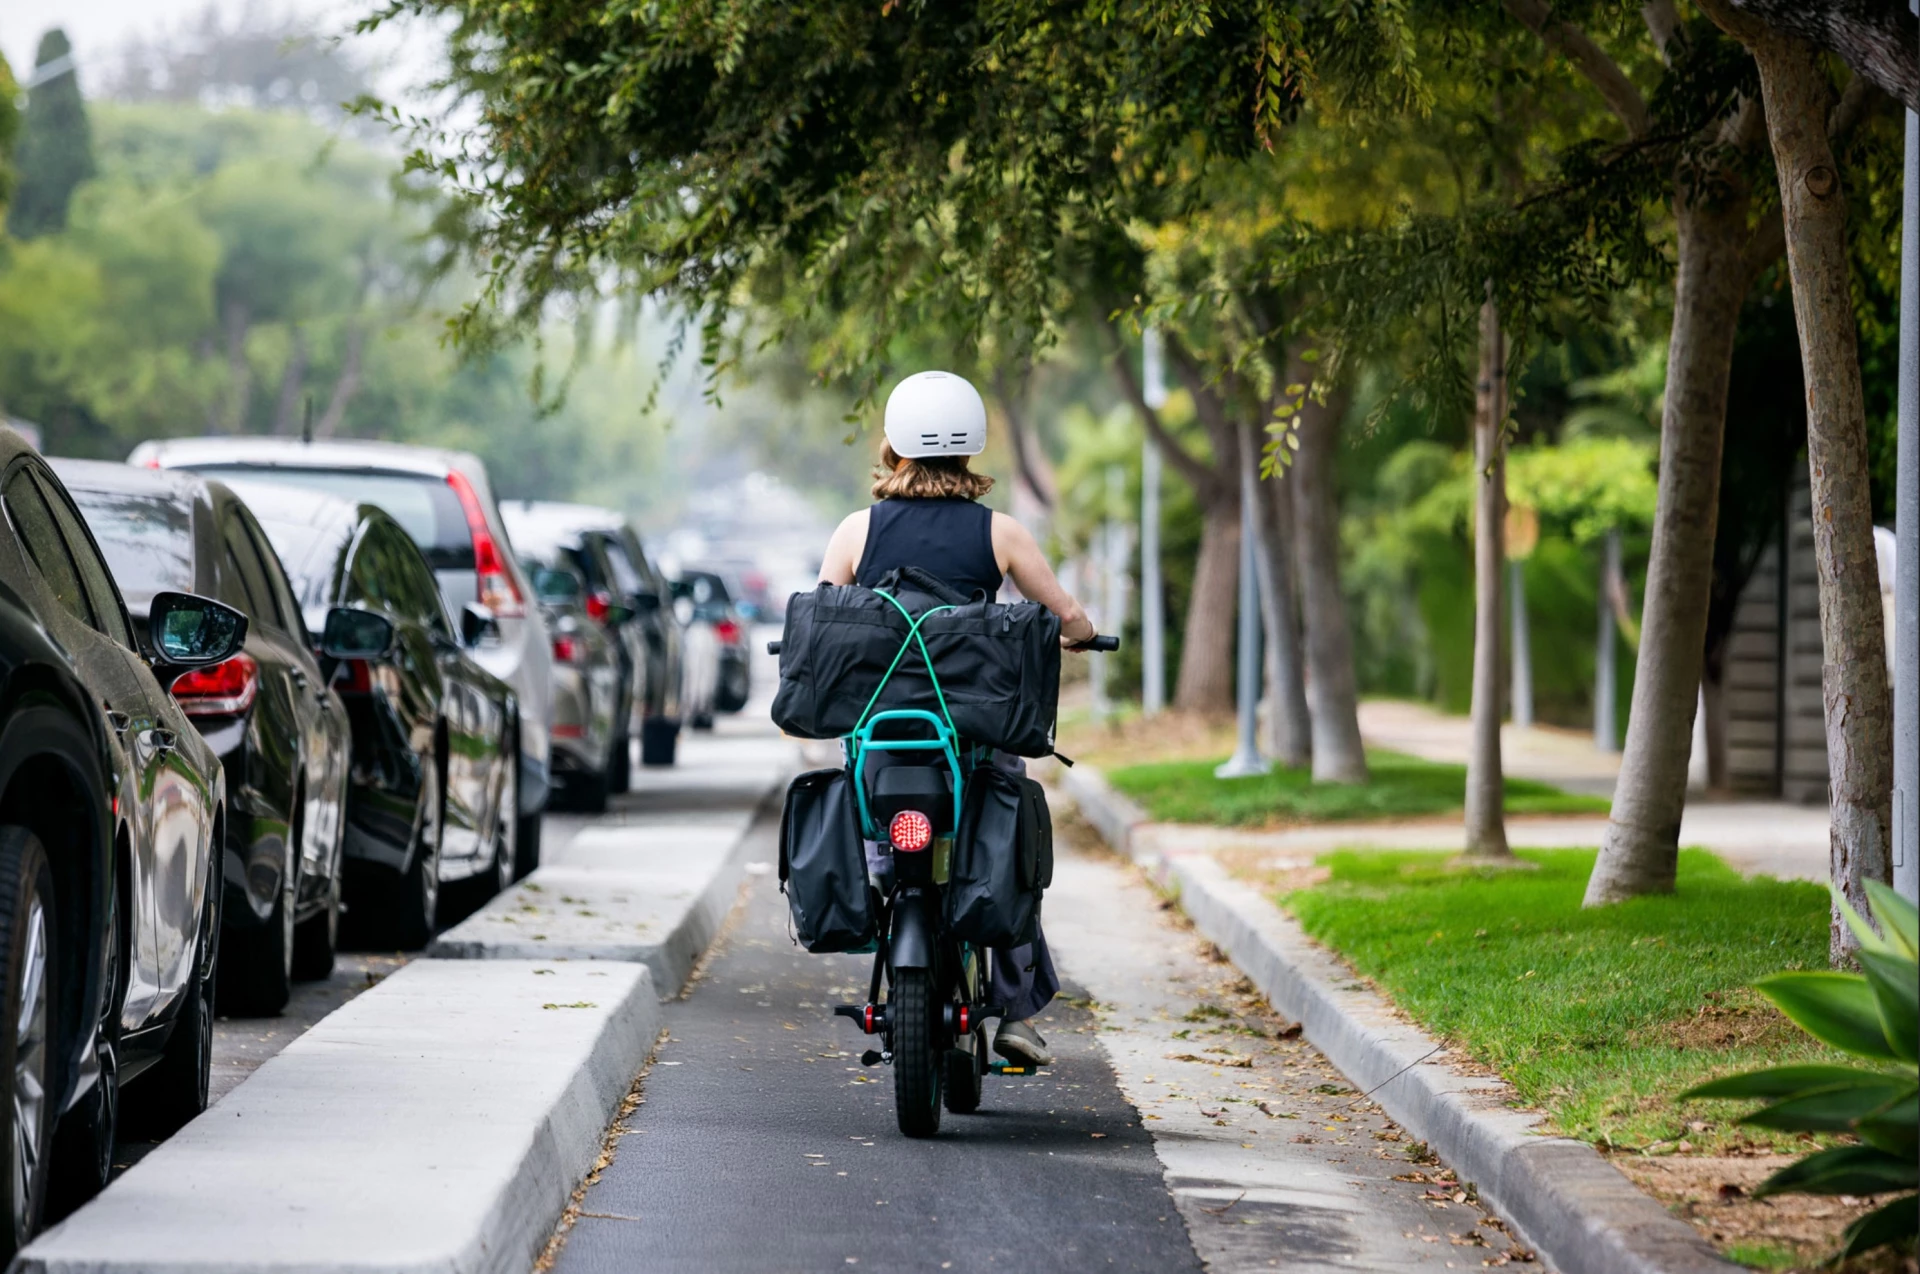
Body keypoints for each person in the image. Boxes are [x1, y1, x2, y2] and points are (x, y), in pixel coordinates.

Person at [817, 369, 1095, 1068]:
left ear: (895, 445)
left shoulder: (857, 530)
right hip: (972, 731)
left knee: (876, 824)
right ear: (970, 448)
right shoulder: (999, 533)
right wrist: (1082, 632)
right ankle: (1016, 1010)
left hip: (885, 738)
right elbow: (1066, 616)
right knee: (1005, 849)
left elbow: (822, 624)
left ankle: (882, 884)